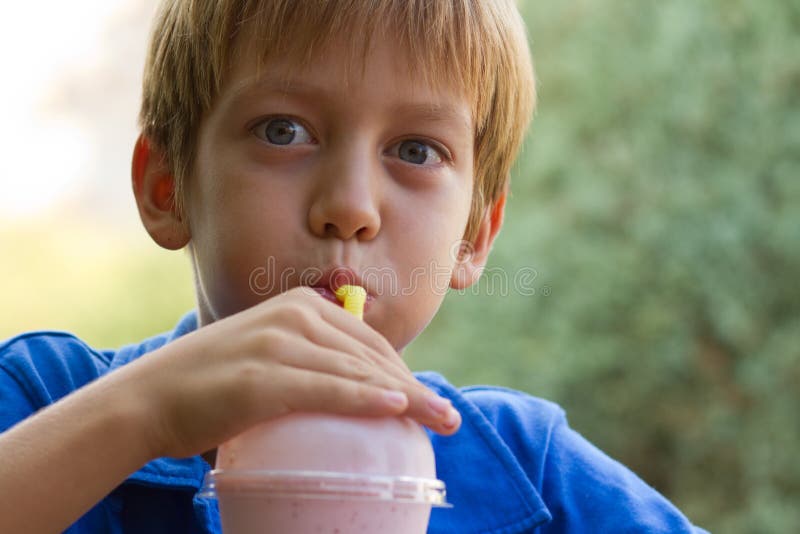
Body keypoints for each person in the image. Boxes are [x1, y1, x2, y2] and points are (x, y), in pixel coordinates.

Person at [0, 1, 708, 532]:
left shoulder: (530, 472)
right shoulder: (49, 403)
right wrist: (144, 416)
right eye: (284, 131)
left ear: (473, 236)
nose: (350, 206)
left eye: (416, 151)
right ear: (168, 187)